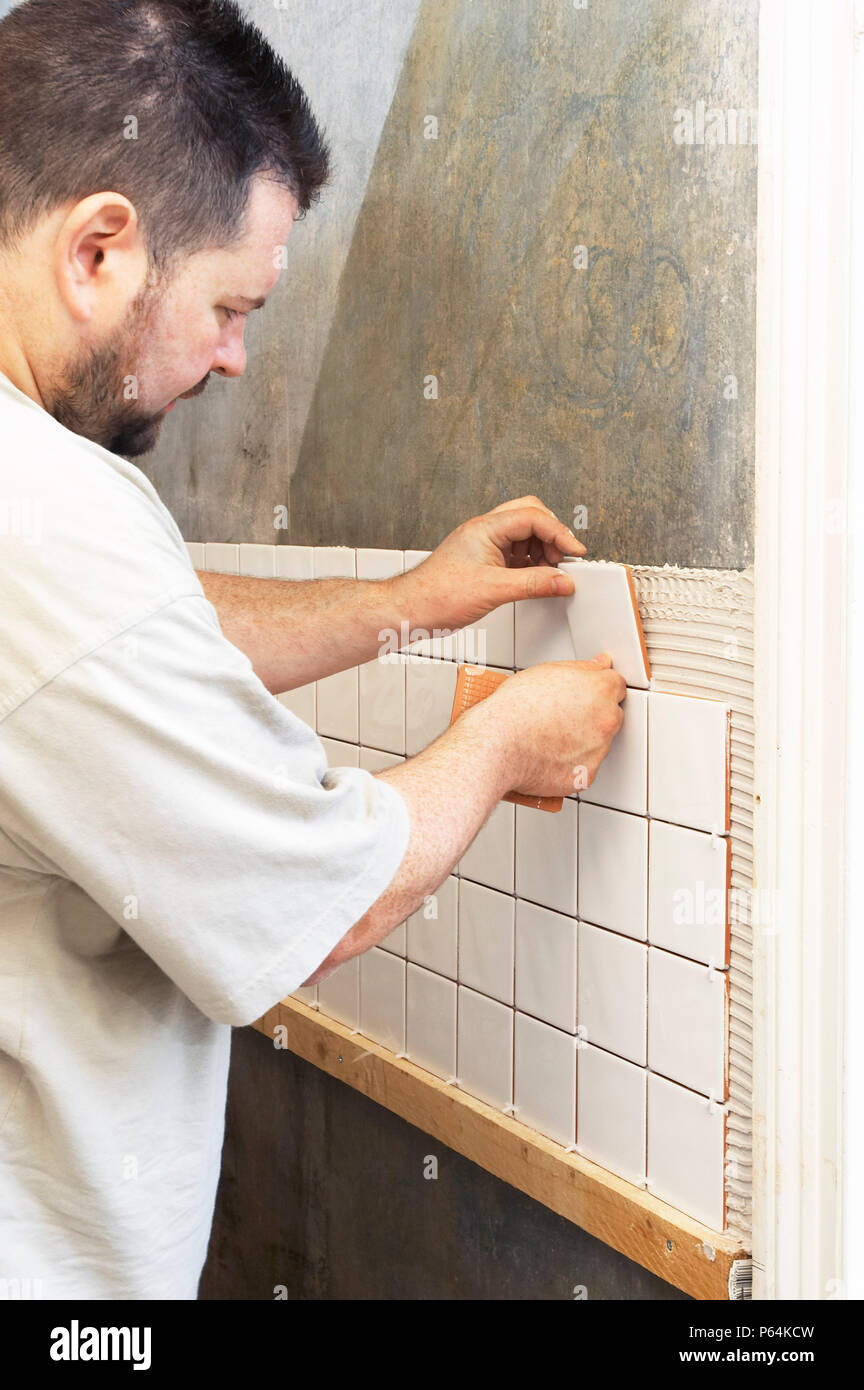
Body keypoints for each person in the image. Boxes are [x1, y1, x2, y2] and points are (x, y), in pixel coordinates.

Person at [0, 0, 626, 1299]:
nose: (234, 359)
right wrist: (510, 735)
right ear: (101, 249)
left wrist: (417, 600)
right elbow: (319, 900)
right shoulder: (47, 523)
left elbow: (139, 649)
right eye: (232, 305)